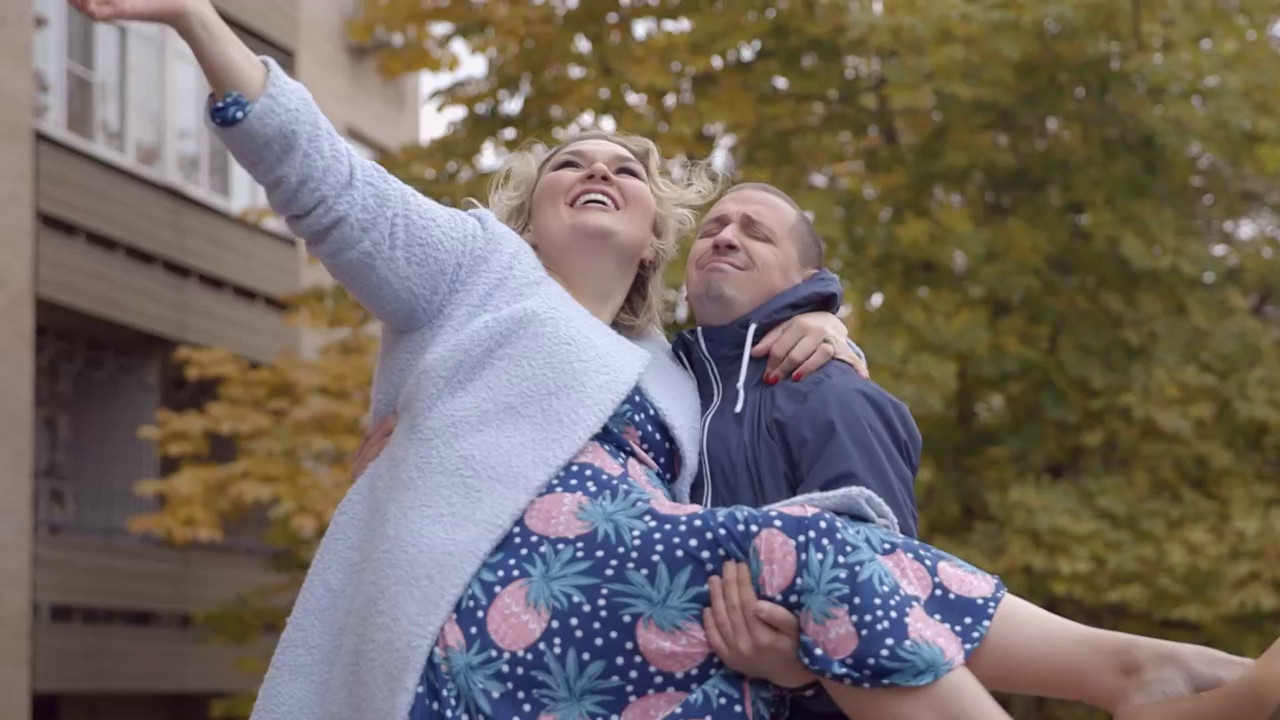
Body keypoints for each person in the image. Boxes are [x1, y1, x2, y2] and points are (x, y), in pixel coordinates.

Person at [72, 2, 1280, 719]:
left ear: (656, 234)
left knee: (832, 561)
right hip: (485, 628)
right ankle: (1138, 678)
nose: (599, 169)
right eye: (569, 162)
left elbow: (755, 431)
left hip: (613, 654)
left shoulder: (677, 374)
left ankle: (1174, 679)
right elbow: (325, 181)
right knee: (814, 546)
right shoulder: (469, 276)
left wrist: (827, 333)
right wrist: (196, 20)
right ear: (523, 212)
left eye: (629, 169)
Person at [673, 182, 1271, 719]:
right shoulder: (657, 387)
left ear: (807, 279)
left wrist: (802, 675)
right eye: (712, 227)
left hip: (786, 700)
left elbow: (885, 587)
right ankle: (1137, 669)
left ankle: (1142, 671)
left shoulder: (832, 395)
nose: (724, 236)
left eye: (756, 232)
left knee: (834, 552)